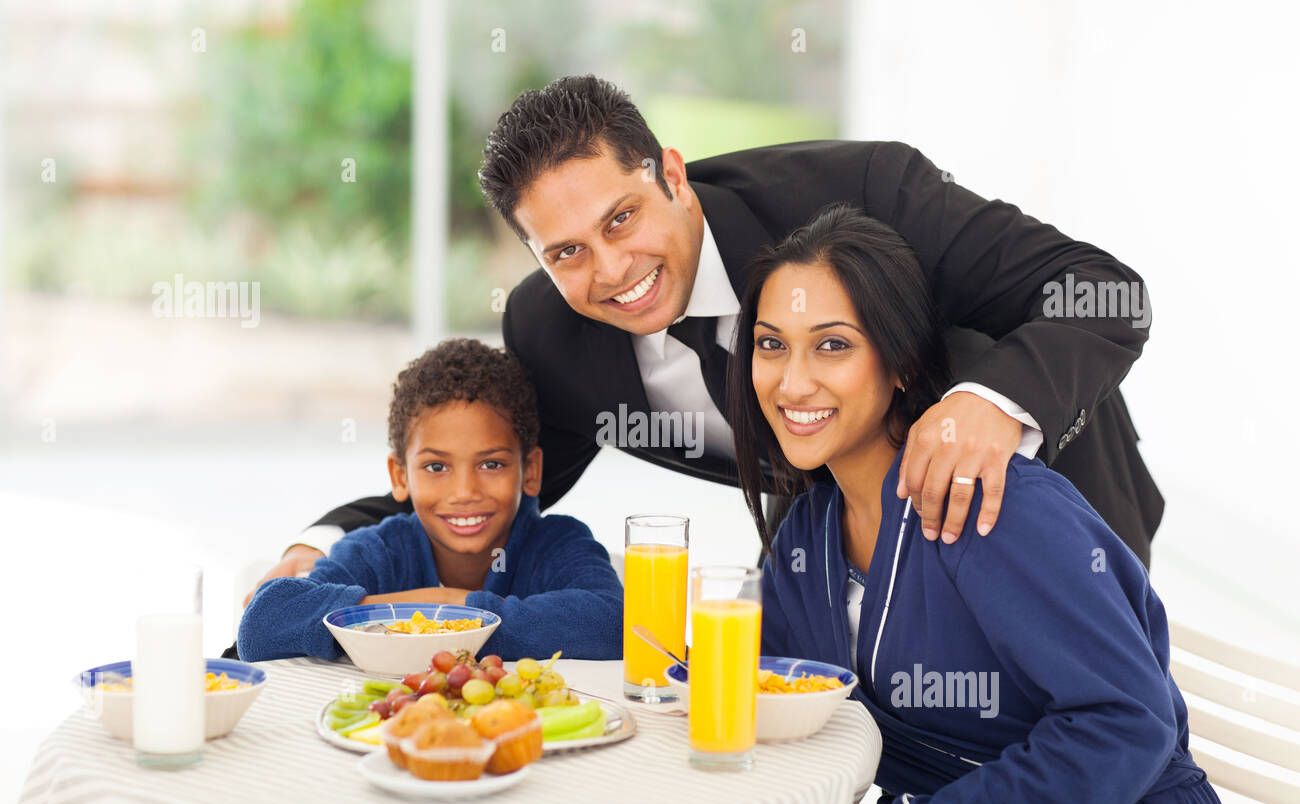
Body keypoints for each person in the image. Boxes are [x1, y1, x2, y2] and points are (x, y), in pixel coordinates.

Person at [250, 74, 1162, 600]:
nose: (610, 272)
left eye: (622, 220)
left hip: (1057, 532)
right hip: (838, 578)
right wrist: (321, 546)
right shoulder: (551, 331)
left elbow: (1105, 293)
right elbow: (497, 484)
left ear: (673, 175)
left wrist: (988, 404)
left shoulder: (867, 195)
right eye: (566, 251)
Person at [733, 204, 1238, 804]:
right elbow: (753, 688)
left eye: (833, 344)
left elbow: (1125, 722)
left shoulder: (997, 509)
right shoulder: (807, 538)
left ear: (904, 363)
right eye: (772, 344)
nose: (792, 382)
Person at [235, 339, 623, 663]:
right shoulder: (378, 551)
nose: (465, 491)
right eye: (437, 466)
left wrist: (451, 610)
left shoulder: (558, 544)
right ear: (400, 476)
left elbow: (612, 623)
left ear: (531, 470)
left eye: (491, 463)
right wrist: (439, 606)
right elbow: (264, 622)